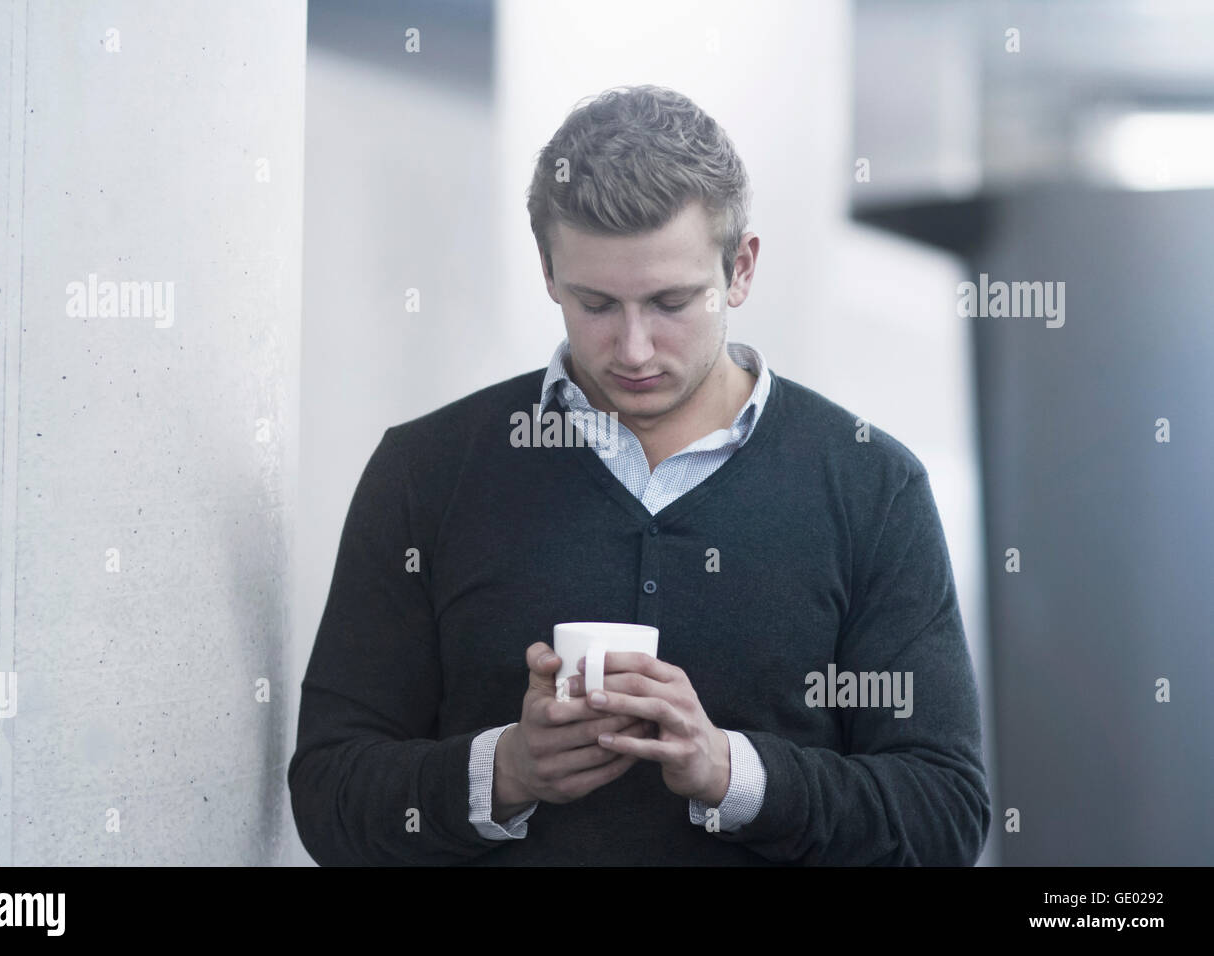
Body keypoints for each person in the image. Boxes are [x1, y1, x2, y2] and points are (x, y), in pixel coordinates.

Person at [288, 84, 991, 865]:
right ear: (549, 273)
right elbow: (328, 796)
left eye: (669, 302)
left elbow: (944, 817)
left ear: (742, 269)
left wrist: (734, 775)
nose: (632, 349)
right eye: (595, 304)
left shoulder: (870, 487)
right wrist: (504, 773)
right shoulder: (426, 472)